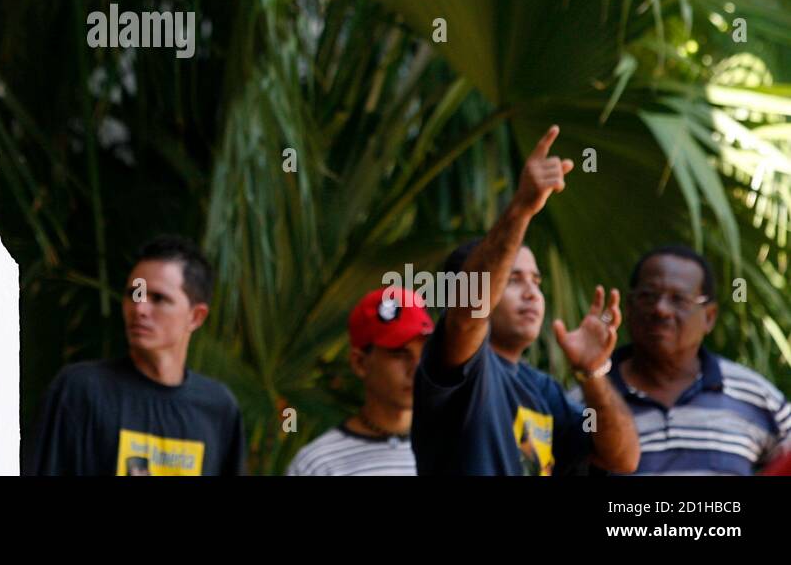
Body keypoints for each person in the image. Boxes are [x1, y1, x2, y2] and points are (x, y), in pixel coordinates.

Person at [412, 125, 640, 475]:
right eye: (514, 280)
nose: (532, 292)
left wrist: (592, 373)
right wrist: (520, 209)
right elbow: (469, 312)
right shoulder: (458, 366)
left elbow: (622, 459)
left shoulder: (542, 388)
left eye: (536, 280)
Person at [27, 235, 245, 475]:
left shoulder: (218, 408)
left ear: (196, 316)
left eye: (159, 298)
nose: (139, 308)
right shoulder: (79, 390)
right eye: (134, 294)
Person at [570, 245, 791, 475]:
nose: (661, 310)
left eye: (679, 299)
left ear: (709, 317)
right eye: (648, 296)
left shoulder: (756, 398)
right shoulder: (584, 402)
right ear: (629, 307)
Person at [286, 287, 432, 475]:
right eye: (399, 354)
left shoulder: (457, 446)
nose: (416, 368)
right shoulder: (316, 464)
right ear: (360, 363)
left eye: (426, 352)